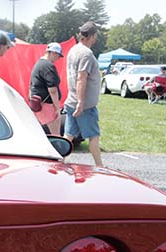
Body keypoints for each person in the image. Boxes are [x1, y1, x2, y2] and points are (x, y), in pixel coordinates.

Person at [64, 21, 102, 167]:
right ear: (92, 36)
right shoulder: (86, 54)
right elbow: (81, 77)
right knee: (93, 136)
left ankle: (59, 161)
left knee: (68, 135)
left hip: (71, 100)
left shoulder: (73, 50)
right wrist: (81, 102)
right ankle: (100, 166)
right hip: (84, 105)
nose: (95, 39)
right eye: (95, 36)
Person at [29, 42, 63, 135]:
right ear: (53, 53)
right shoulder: (48, 66)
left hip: (38, 103)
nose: (58, 58)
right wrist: (57, 108)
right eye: (58, 55)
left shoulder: (39, 63)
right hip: (46, 104)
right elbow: (52, 90)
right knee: (56, 135)